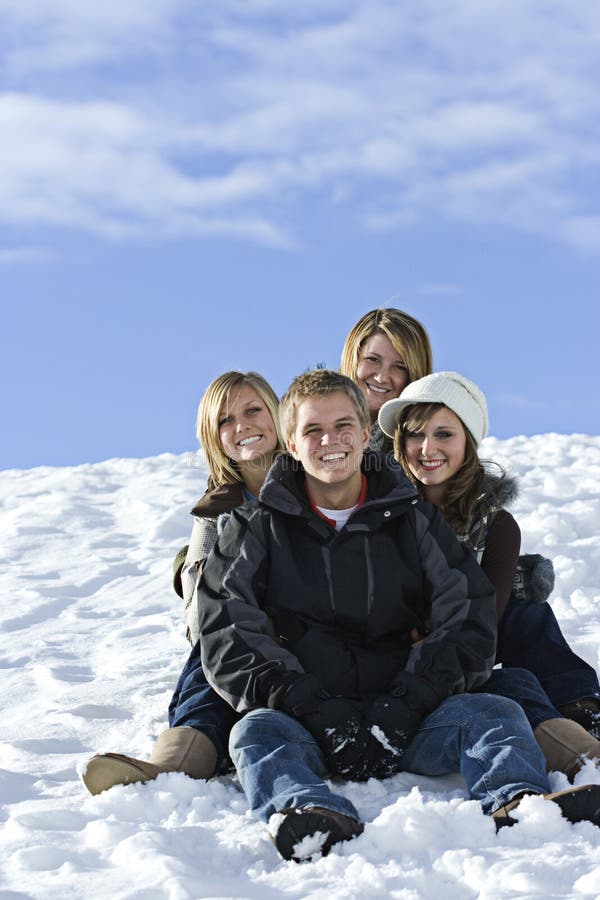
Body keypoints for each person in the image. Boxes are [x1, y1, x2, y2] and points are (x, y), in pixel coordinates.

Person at [197, 369, 600, 863]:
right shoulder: (255, 528)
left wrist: (409, 701)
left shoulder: (411, 517)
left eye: (344, 425)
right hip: (310, 723)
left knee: (495, 711)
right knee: (254, 733)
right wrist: (310, 705)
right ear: (291, 443)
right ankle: (309, 811)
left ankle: (517, 800)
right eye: (313, 430)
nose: (331, 441)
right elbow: (228, 630)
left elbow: (467, 617)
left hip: (410, 717)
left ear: (367, 434)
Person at [378, 371, 600, 779]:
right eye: (415, 435)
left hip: (459, 665)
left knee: (514, 675)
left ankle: (587, 755)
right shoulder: (379, 514)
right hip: (388, 678)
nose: (427, 448)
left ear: (468, 442)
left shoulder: (495, 525)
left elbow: (481, 626)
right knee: (510, 681)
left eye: (444, 434)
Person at [82, 371, 284, 795]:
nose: (242, 425)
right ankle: (176, 762)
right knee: (209, 657)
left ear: (278, 416)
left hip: (306, 635)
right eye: (226, 420)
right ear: (214, 437)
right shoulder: (214, 511)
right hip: (241, 642)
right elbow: (197, 607)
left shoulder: (315, 484)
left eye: (253, 410)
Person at [339, 307, 432, 452]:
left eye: (399, 367)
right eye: (373, 359)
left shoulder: (422, 448)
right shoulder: (307, 421)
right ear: (353, 358)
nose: (382, 377)